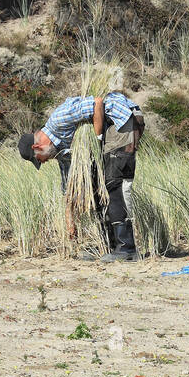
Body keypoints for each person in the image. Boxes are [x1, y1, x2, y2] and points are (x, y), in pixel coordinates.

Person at [18, 91, 145, 262]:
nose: (44, 162)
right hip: (111, 129)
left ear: (37, 147)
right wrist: (70, 222)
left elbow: (97, 103)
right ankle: (108, 245)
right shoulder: (60, 152)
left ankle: (127, 247)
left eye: (39, 160)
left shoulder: (58, 119)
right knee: (96, 187)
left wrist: (97, 138)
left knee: (114, 183)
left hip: (121, 120)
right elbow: (68, 189)